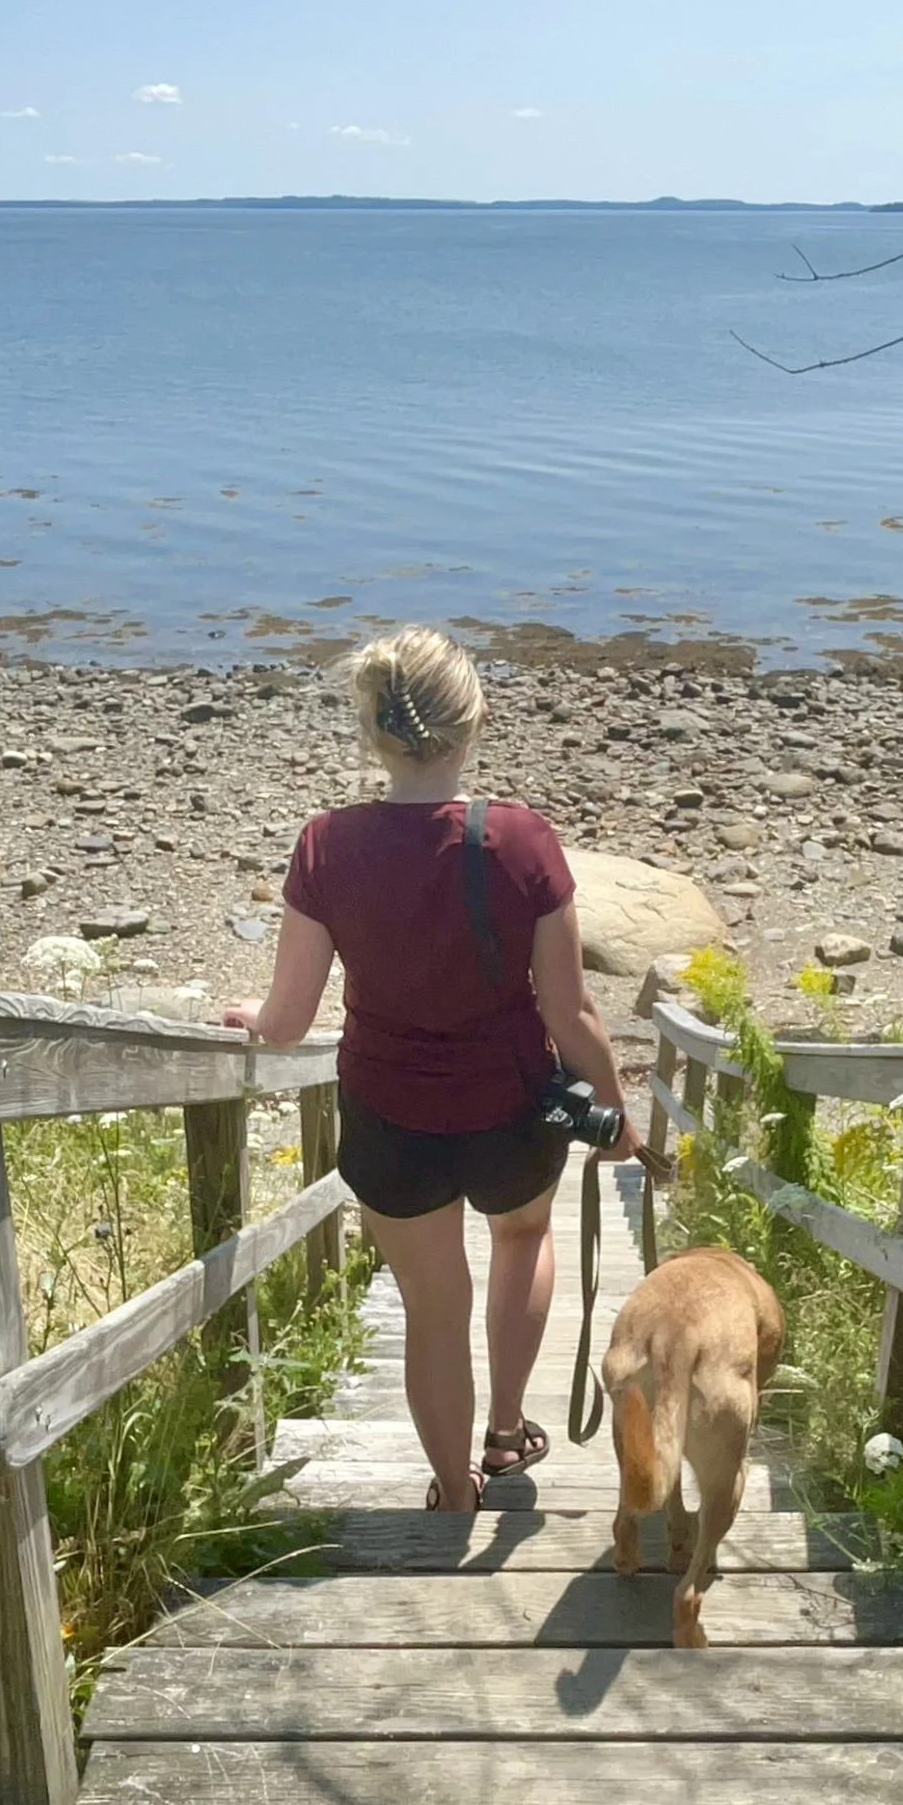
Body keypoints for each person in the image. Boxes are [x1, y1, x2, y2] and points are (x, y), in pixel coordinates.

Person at [223, 624, 645, 1513]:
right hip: (512, 1110)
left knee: (432, 1306)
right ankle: (504, 1427)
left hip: (390, 1117)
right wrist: (615, 1116)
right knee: (523, 1238)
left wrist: (252, 1021)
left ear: (371, 731)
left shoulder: (325, 846)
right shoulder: (523, 841)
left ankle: (453, 1492)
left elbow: (291, 1018)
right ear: (473, 722)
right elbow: (570, 1011)